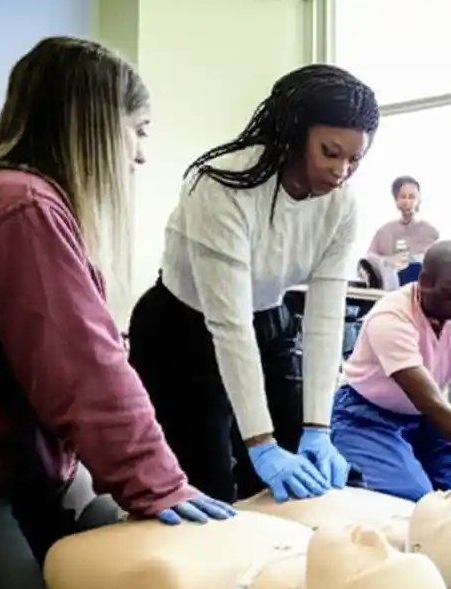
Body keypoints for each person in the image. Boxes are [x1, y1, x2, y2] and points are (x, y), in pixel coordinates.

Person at [0, 37, 233, 589]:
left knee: (113, 546)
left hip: (4, 460)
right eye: (138, 130)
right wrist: (155, 482)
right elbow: (82, 364)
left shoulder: (6, 194)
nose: (139, 153)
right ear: (97, 122)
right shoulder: (18, 204)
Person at [127, 64, 380, 505]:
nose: (341, 171)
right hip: (182, 331)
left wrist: (318, 427)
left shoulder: (341, 205)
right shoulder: (219, 184)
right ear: (293, 133)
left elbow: (324, 318)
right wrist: (261, 444)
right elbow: (229, 326)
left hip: (268, 322)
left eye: (355, 159)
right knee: (207, 487)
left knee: (299, 481)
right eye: (330, 152)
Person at [331, 241, 451, 502]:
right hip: (366, 417)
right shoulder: (391, 317)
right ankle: (356, 474)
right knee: (414, 499)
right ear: (425, 282)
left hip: (425, 420)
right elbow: (433, 403)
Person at [366, 175, 440, 285]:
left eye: (411, 197)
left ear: (419, 199)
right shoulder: (384, 232)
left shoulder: (430, 232)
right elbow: (369, 260)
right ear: (396, 200)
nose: (407, 202)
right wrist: (388, 261)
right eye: (403, 197)